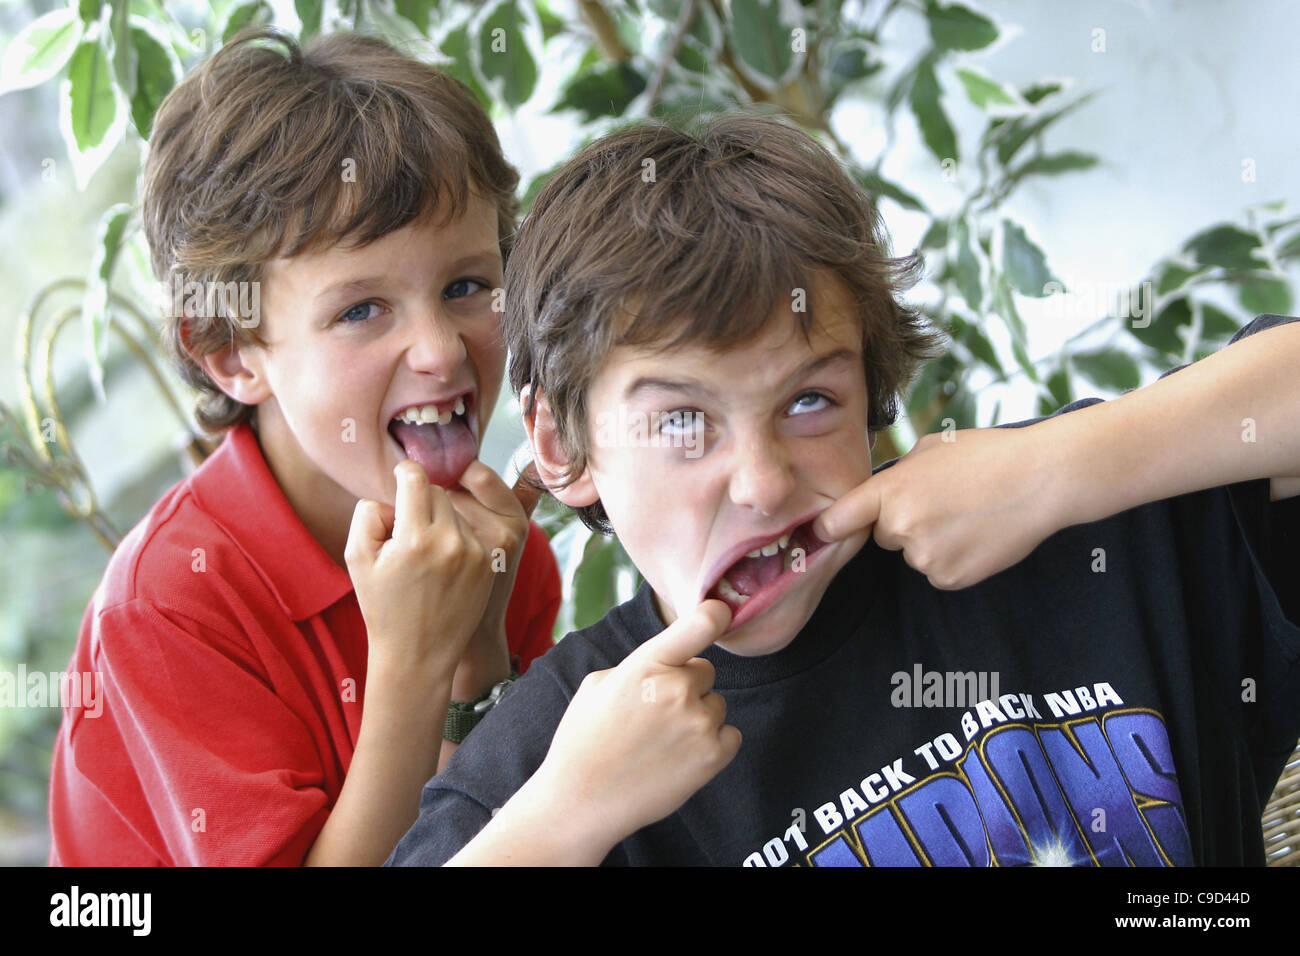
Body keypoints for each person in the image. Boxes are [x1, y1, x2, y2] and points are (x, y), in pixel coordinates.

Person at [388, 114, 1300, 866]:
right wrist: (564, 823)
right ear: (559, 442)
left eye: (811, 400)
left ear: (873, 391)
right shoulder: (560, 753)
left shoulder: (1073, 526)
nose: (762, 480)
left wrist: (1061, 467)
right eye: (681, 421)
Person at [47, 29, 738, 867]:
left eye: (466, 286)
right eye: (361, 310)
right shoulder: (167, 610)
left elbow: (473, 832)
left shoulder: (487, 540)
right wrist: (415, 660)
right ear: (231, 353)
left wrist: (477, 650)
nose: (441, 350)